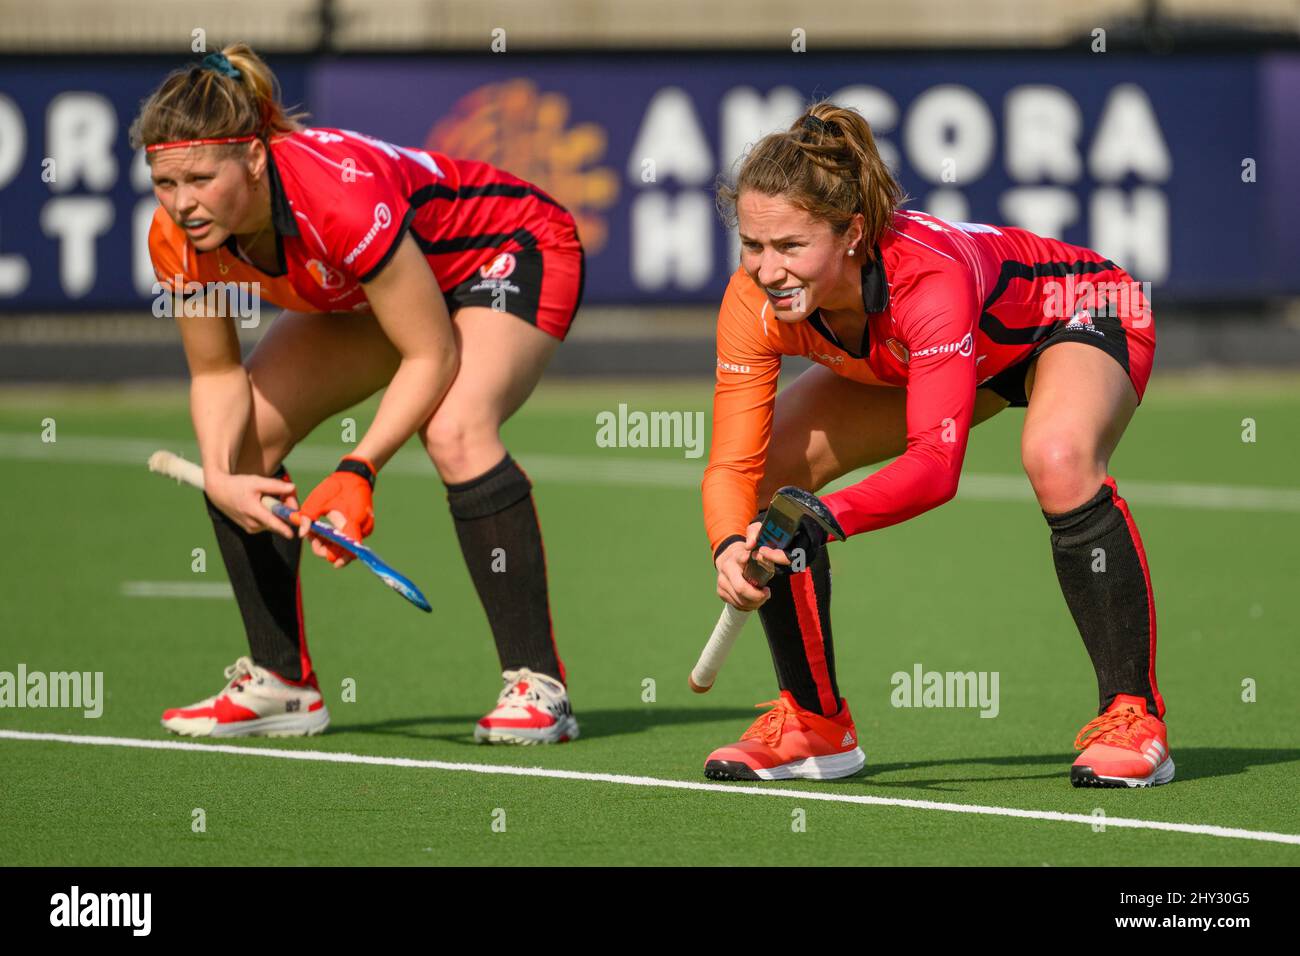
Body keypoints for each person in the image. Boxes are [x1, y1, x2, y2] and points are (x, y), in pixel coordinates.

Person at [702, 102, 1167, 787]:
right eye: (753, 245)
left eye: (792, 247)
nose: (768, 271)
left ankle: (1134, 716)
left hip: (1077, 314)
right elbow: (732, 466)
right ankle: (814, 724)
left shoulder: (926, 276)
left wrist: (825, 519)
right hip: (932, 355)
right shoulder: (752, 301)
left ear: (852, 232)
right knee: (772, 475)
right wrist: (728, 545)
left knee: (1057, 456)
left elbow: (935, 467)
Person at [135, 44, 584, 744]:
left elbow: (430, 353)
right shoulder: (176, 235)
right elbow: (217, 376)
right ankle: (281, 682)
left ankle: (539, 686)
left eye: (200, 178)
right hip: (383, 288)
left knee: (455, 428)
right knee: (245, 440)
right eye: (164, 181)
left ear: (253, 159)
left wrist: (358, 470)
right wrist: (222, 479)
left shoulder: (334, 196)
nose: (183, 202)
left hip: (511, 249)